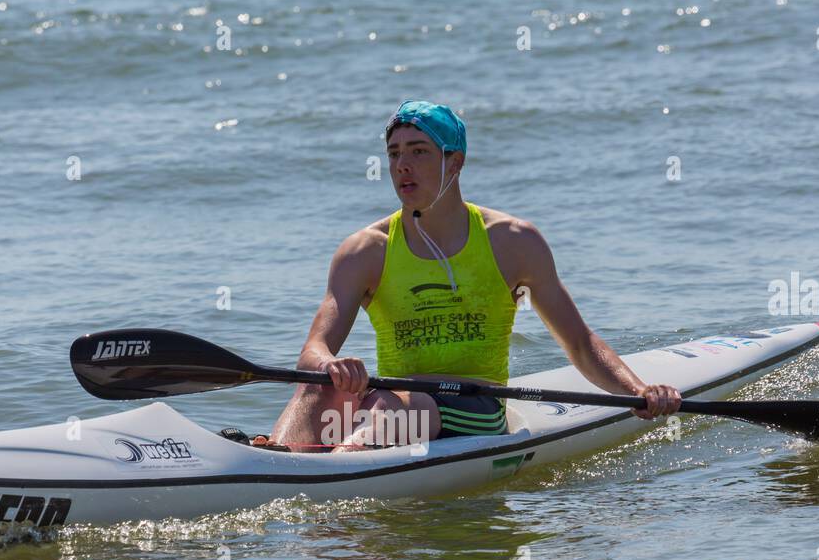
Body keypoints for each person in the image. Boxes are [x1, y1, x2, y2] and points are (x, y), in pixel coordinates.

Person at [268, 99, 681, 452]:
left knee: (397, 407)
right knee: (320, 383)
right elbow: (313, 350)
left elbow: (579, 342)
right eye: (394, 154)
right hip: (392, 401)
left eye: (418, 152)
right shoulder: (364, 250)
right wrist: (334, 365)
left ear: (456, 161)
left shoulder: (513, 242)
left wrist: (637, 391)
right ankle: (276, 458)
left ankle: (338, 465)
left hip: (475, 409)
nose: (402, 166)